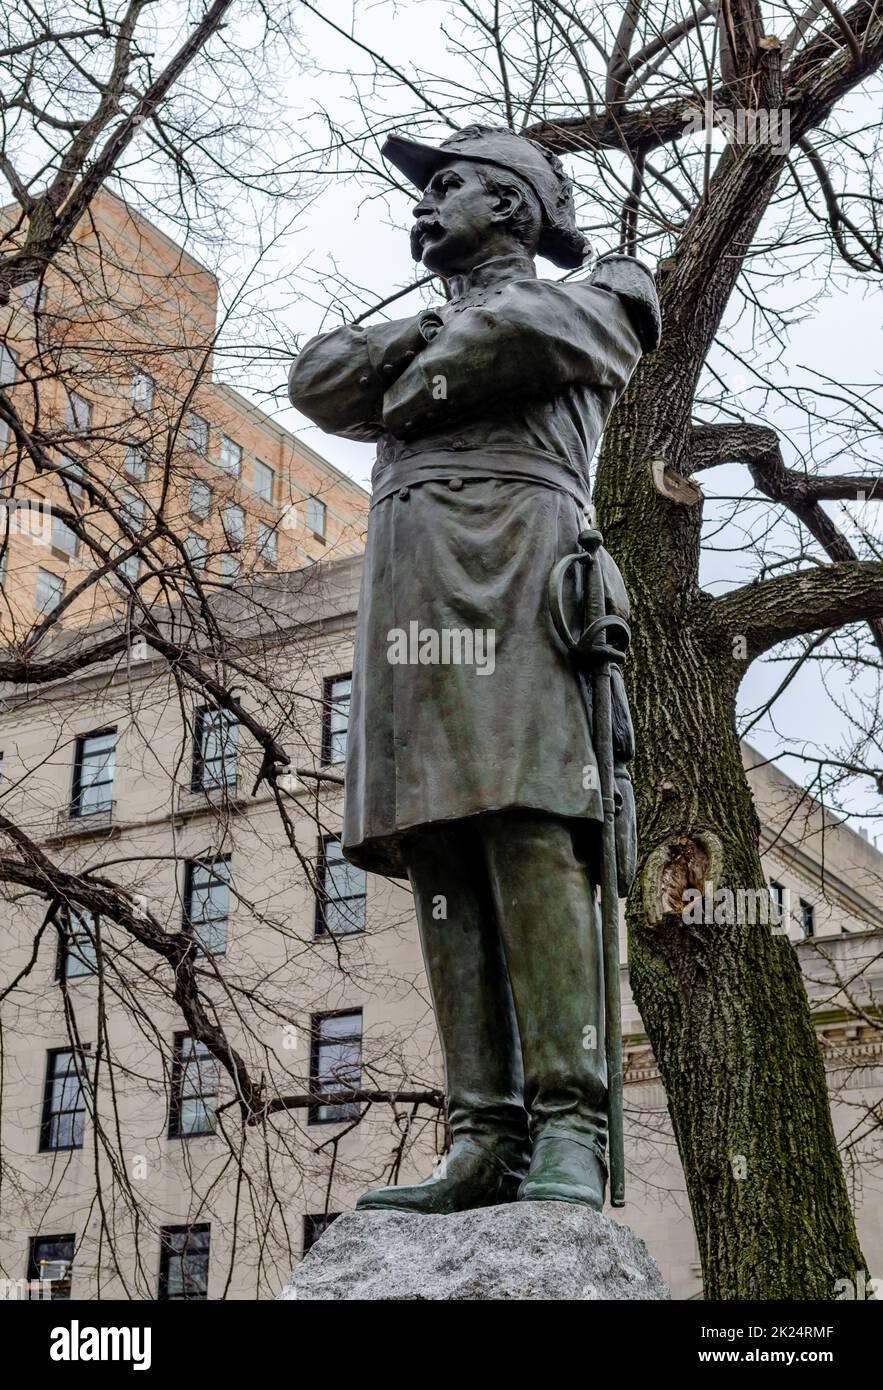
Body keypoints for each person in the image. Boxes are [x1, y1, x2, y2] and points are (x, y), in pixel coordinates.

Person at [289, 125, 660, 1212]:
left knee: (531, 828)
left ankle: (569, 1126)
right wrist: (417, 352)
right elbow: (318, 379)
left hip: (517, 568)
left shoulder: (592, 299)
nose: (424, 203)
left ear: (511, 205)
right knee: (440, 842)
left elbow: (504, 344)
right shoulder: (427, 318)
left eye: (447, 185)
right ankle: (482, 1133)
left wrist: (411, 379)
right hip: (408, 588)